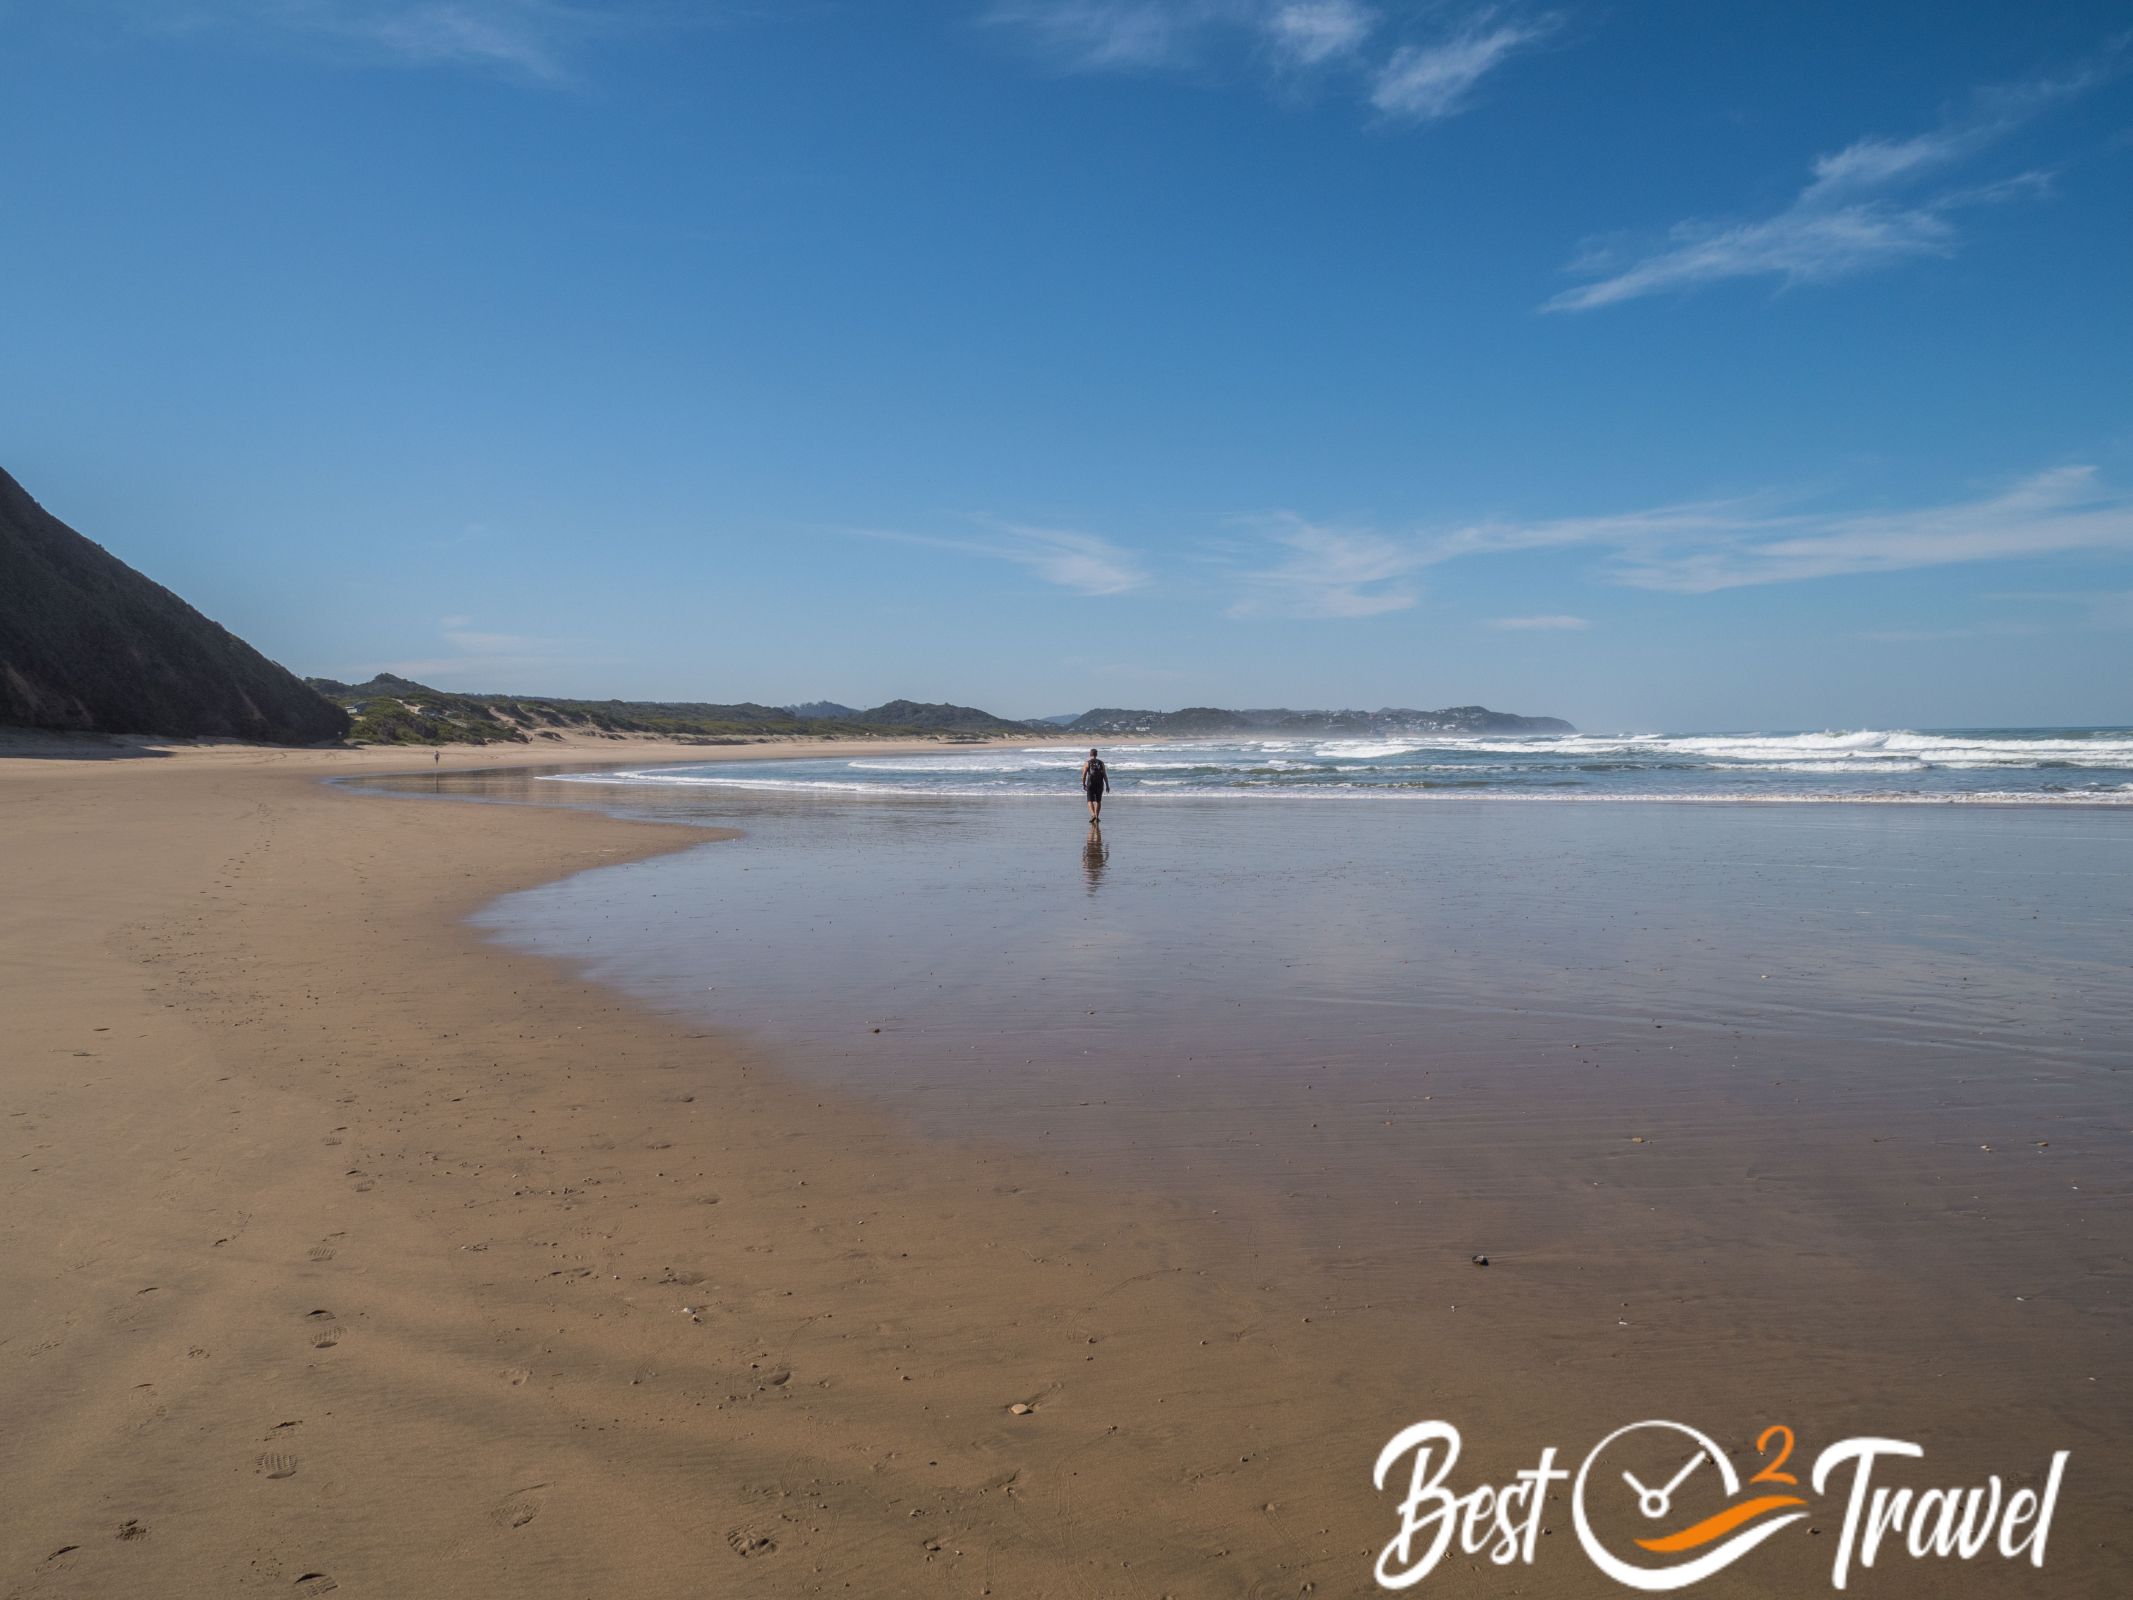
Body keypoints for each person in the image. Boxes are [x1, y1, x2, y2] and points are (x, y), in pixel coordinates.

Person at [1080, 748, 1110, 819]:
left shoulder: (1087, 763)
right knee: (1098, 801)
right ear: (1096, 754)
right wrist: (1107, 785)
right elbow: (1104, 775)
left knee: (1089, 800)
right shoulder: (1101, 763)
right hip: (1099, 783)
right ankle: (1096, 816)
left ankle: (1093, 814)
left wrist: (1084, 784)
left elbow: (1084, 775)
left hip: (1090, 783)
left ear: (1090, 754)